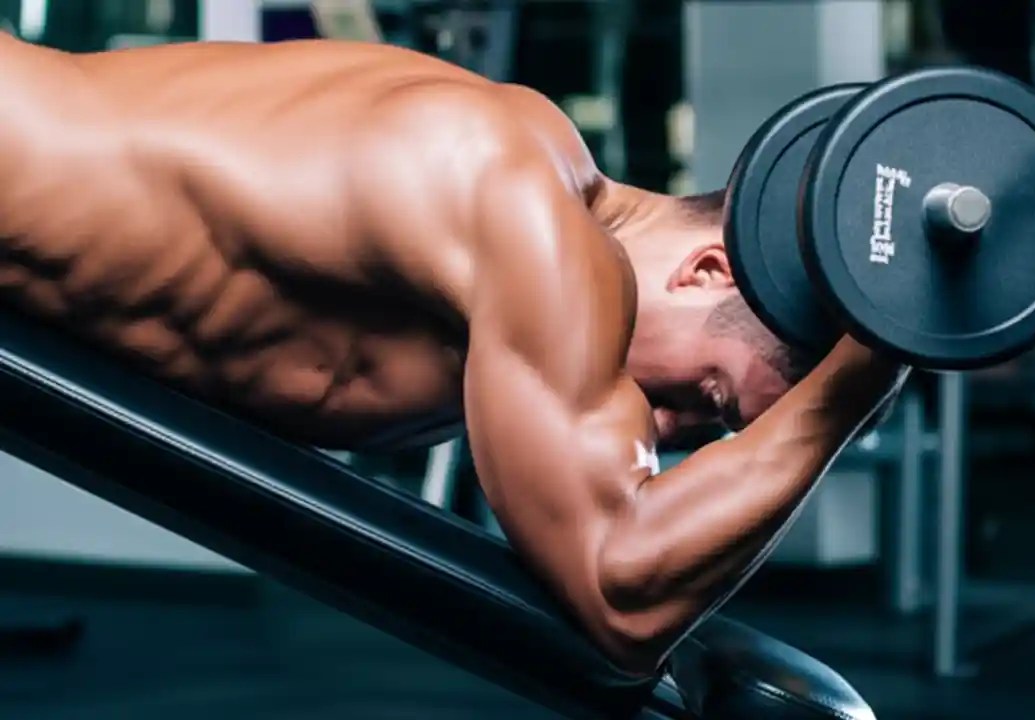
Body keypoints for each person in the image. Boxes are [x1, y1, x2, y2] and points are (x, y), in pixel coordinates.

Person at [0, 34, 906, 671]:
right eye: (710, 395)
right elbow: (619, 592)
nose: (665, 433)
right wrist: (858, 380)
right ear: (708, 269)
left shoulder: (505, 259)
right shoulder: (520, 203)